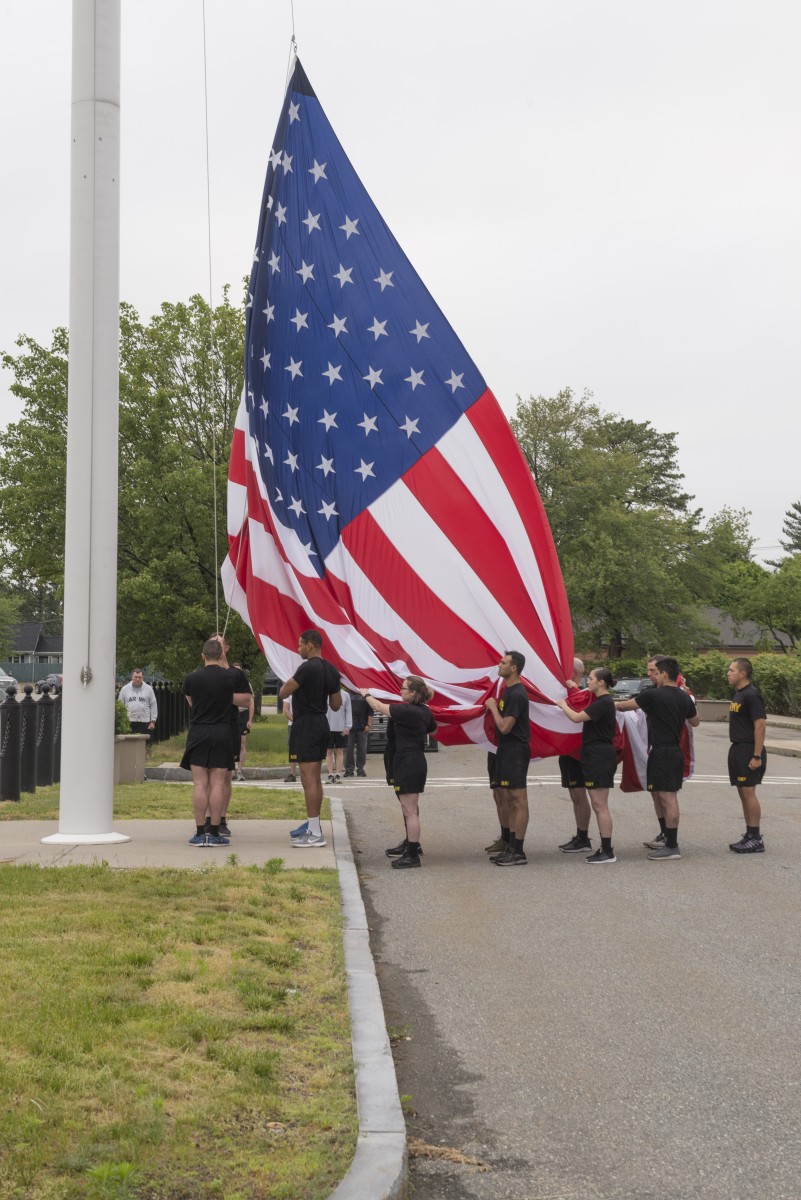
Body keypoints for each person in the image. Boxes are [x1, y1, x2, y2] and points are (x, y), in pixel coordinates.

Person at [616, 657, 700, 860]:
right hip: (671, 751)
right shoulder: (683, 697)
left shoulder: (652, 695)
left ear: (663, 673)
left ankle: (672, 845)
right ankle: (665, 837)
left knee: (668, 797)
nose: (652, 675)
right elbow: (695, 722)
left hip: (663, 752)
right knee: (659, 795)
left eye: (655, 672)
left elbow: (623, 706)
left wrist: (600, 701)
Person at [181, 638, 252, 846]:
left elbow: (192, 703)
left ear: (202, 655)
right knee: (218, 783)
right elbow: (246, 700)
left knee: (200, 783)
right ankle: (214, 831)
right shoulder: (231, 677)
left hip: (199, 731)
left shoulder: (191, 678)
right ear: (221, 654)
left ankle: (198, 831)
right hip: (222, 731)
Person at [360, 676, 437, 869]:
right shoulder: (424, 711)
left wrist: (365, 693)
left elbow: (377, 706)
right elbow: (432, 728)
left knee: (409, 810)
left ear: (413, 693)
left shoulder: (408, 711)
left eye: (403, 689)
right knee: (410, 807)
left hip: (408, 761)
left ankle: (412, 855)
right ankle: (412, 844)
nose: (400, 691)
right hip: (410, 759)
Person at [278, 630, 341, 848]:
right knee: (315, 777)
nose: (298, 649)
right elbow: (335, 704)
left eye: (300, 645)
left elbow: (283, 692)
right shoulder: (332, 669)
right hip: (322, 722)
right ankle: (314, 825)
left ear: (310, 645)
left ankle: (314, 833)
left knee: (308, 778)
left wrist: (293, 682)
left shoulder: (307, 668)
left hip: (306, 724)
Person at [556, 668, 619, 863]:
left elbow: (576, 717)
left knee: (600, 805)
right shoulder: (600, 701)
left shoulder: (603, 702)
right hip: (596, 755)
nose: (588, 681)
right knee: (599, 804)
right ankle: (604, 848)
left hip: (599, 756)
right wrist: (576, 689)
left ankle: (607, 851)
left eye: (590, 679)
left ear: (601, 683)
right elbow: (583, 698)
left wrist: (562, 705)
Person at [484, 651, 531, 866]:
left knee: (518, 800)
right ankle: (511, 846)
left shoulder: (517, 694)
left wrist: (493, 708)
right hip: (505, 750)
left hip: (515, 751)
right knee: (509, 800)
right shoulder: (508, 690)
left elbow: (505, 726)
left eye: (503, 663)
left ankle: (518, 851)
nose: (499, 665)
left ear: (513, 668)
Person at [207, 633, 250, 837]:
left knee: (224, 776)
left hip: (229, 725)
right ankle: (207, 818)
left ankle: (221, 818)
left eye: (221, 642)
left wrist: (222, 693)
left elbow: (245, 701)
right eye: (214, 642)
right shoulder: (203, 672)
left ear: (227, 647)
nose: (218, 645)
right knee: (206, 777)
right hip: (207, 727)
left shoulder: (236, 674)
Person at [726, 657, 767, 853]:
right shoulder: (739, 694)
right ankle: (750, 835)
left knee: (749, 793)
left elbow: (760, 725)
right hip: (738, 748)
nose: (728, 673)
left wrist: (756, 755)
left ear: (743, 673)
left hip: (749, 749)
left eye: (732, 670)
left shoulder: (752, 695)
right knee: (743, 792)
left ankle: (756, 838)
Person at [556, 657, 593, 855]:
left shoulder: (586, 693)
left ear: (575, 673)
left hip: (579, 753)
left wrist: (572, 691)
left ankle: (584, 836)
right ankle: (580, 835)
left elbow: (581, 707)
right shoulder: (567, 693)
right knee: (574, 795)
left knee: (580, 794)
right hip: (567, 752)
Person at [483, 749, 511, 857]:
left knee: (503, 796)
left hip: (503, 750)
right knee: (497, 795)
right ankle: (504, 838)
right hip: (493, 750)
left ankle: (508, 839)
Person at [118, 669, 158, 744]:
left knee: (145, 744)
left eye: (140, 677)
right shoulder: (125, 689)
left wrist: (153, 721)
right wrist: (122, 721)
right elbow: (120, 705)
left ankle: (145, 755)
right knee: (129, 744)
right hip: (129, 722)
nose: (137, 679)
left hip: (144, 722)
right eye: (136, 677)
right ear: (132, 677)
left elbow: (153, 705)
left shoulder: (148, 689)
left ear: (142, 677)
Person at [232, 660, 254, 782]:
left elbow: (251, 703)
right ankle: (230, 770)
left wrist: (250, 719)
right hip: (231, 714)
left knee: (242, 744)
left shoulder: (247, 685)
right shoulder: (227, 683)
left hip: (243, 715)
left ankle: (239, 771)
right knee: (230, 743)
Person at [344, 688, 372, 777]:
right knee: (348, 749)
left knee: (362, 749)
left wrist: (369, 725)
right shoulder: (347, 695)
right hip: (349, 727)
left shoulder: (365, 695)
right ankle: (349, 770)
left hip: (362, 727)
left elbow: (370, 712)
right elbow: (343, 711)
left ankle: (360, 769)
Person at [326, 688, 352, 783]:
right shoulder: (325, 692)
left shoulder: (345, 695)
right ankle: (329, 774)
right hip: (327, 727)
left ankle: (337, 774)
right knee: (328, 751)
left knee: (339, 750)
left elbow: (348, 711)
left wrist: (348, 726)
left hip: (341, 727)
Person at [282, 694, 299, 785]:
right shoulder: (289, 692)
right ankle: (292, 774)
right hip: (292, 724)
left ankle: (307, 772)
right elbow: (285, 709)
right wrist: (295, 720)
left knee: (305, 747)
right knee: (293, 749)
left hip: (305, 723)